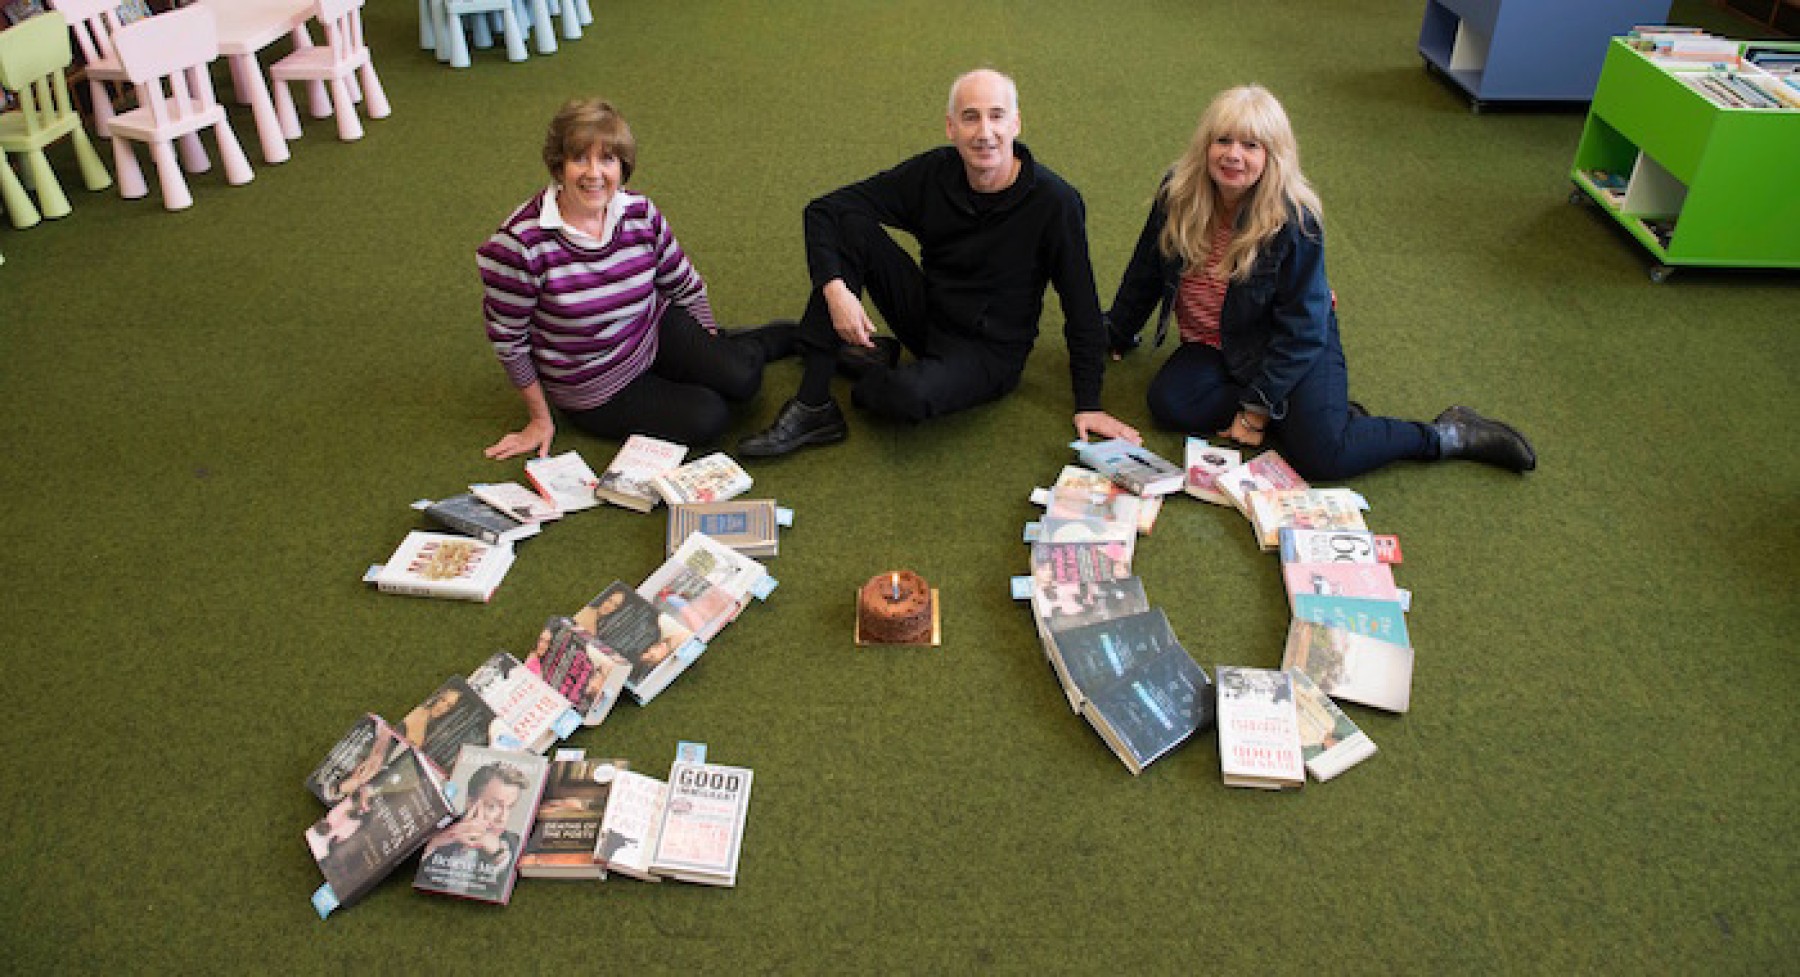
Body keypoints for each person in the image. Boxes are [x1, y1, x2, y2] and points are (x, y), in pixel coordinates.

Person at [1104, 85, 1535, 480]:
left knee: (1323, 457)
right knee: (1169, 404)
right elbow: (1146, 266)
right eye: (1224, 141)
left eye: (1251, 145)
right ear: (1205, 145)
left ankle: (1447, 434)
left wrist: (1255, 411)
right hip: (1214, 344)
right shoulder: (1177, 192)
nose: (1234, 155)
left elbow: (1303, 327)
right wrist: (1118, 332)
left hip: (1291, 343)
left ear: (1274, 155)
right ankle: (1303, 414)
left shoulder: (1295, 218)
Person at [736, 68, 1139, 457]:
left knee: (903, 397)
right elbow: (824, 210)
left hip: (989, 354)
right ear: (951, 128)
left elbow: (1082, 307)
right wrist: (835, 290)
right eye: (970, 118)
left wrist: (1089, 403)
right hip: (929, 315)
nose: (984, 133)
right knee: (850, 224)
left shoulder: (1056, 203)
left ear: (1016, 123)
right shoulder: (933, 172)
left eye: (996, 116)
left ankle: (843, 350)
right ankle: (814, 404)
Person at [478, 98, 795, 459]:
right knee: (710, 418)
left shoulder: (640, 211)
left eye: (607, 159)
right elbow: (509, 341)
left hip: (651, 329)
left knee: (743, 379)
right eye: (580, 158)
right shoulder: (519, 244)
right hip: (595, 384)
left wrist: (709, 342)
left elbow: (683, 283)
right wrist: (539, 419)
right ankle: (718, 357)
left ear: (622, 166)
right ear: (558, 165)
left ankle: (746, 343)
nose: (594, 173)